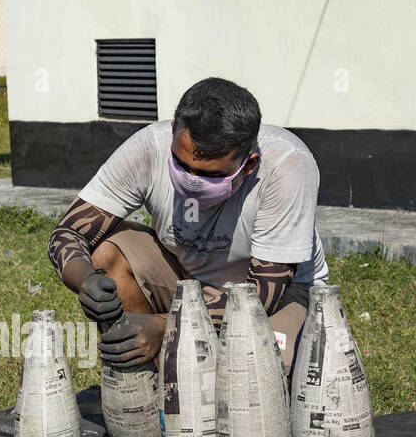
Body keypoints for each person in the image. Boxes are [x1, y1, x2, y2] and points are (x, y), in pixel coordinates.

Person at [48, 76, 328, 374]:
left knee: (259, 369)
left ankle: (169, 354)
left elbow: (265, 291)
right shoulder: (147, 148)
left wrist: (163, 325)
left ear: (249, 164)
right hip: (184, 279)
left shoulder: (288, 165)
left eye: (210, 175)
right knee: (104, 256)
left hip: (277, 295)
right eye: (181, 165)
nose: (191, 180)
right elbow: (68, 233)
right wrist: (87, 282)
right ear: (173, 132)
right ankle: (144, 379)